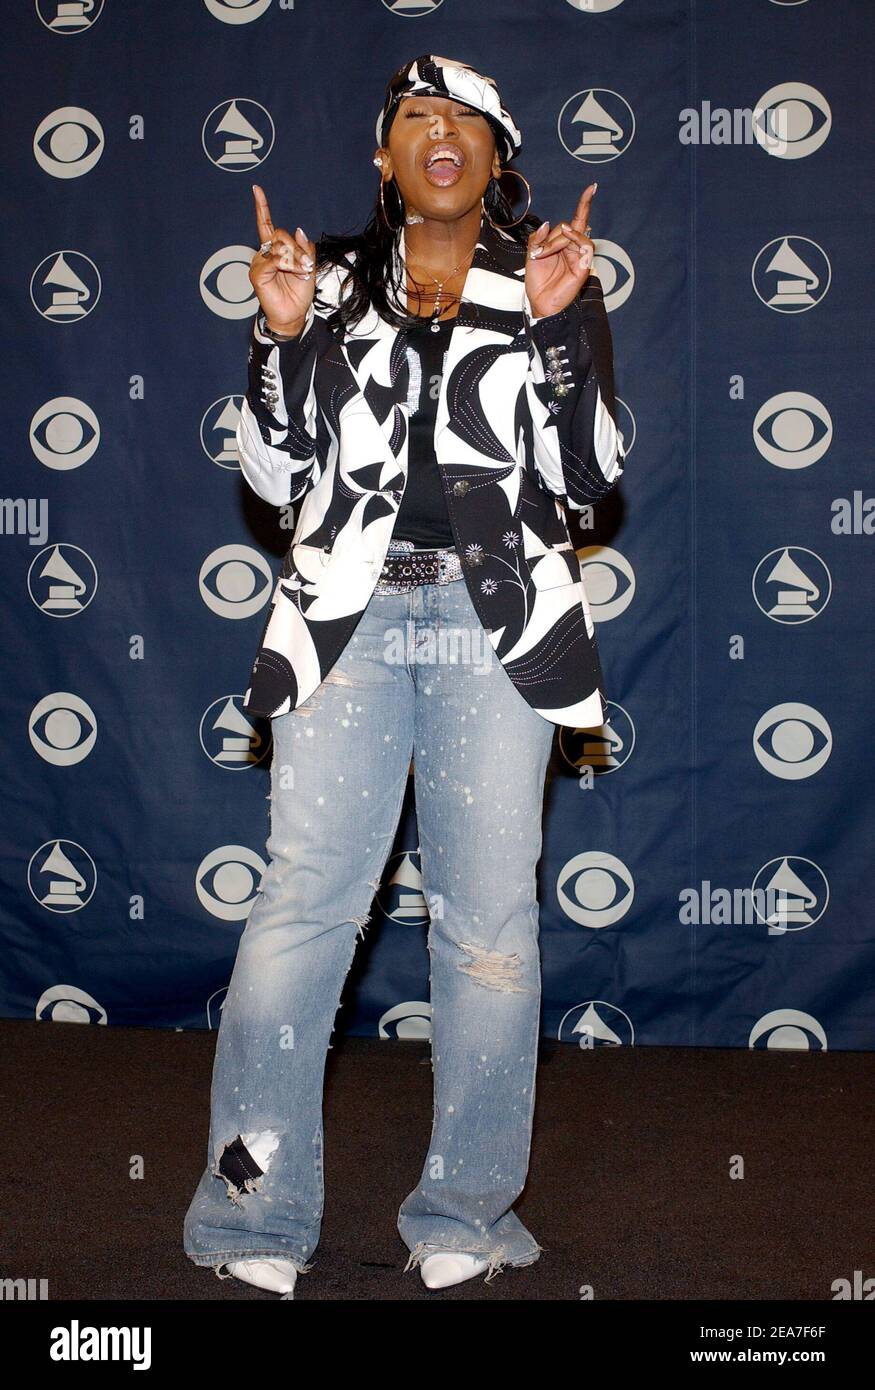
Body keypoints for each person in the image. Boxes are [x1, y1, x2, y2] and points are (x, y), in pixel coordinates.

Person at [184, 53, 625, 1299]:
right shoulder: (314, 282)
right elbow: (273, 481)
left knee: (487, 925)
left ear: (496, 157)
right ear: (383, 160)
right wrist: (275, 340)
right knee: (299, 911)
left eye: (464, 122)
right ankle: (252, 1216)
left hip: (498, 630)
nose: (439, 134)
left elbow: (589, 481)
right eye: (414, 121)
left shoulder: (544, 276)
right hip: (347, 623)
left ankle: (463, 1212)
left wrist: (555, 333)